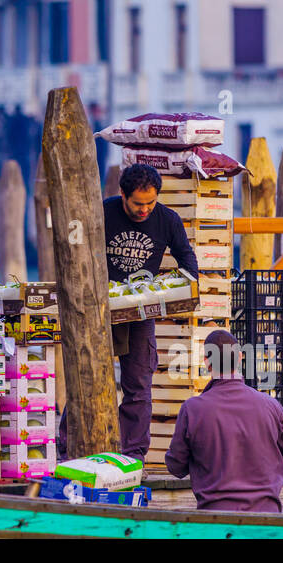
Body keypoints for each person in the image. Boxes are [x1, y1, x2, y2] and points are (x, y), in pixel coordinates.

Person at [59, 162, 198, 459]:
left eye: (150, 202)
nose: (145, 209)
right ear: (123, 194)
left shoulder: (168, 220)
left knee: (138, 385)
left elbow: (187, 260)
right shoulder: (102, 211)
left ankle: (133, 455)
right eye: (138, 203)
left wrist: (183, 285)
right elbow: (75, 253)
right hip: (99, 309)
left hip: (141, 312)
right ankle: (67, 447)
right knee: (87, 375)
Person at [164, 329, 283, 513]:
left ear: (207, 362)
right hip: (267, 516)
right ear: (239, 357)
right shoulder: (270, 405)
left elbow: (176, 466)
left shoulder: (192, 409)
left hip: (215, 519)